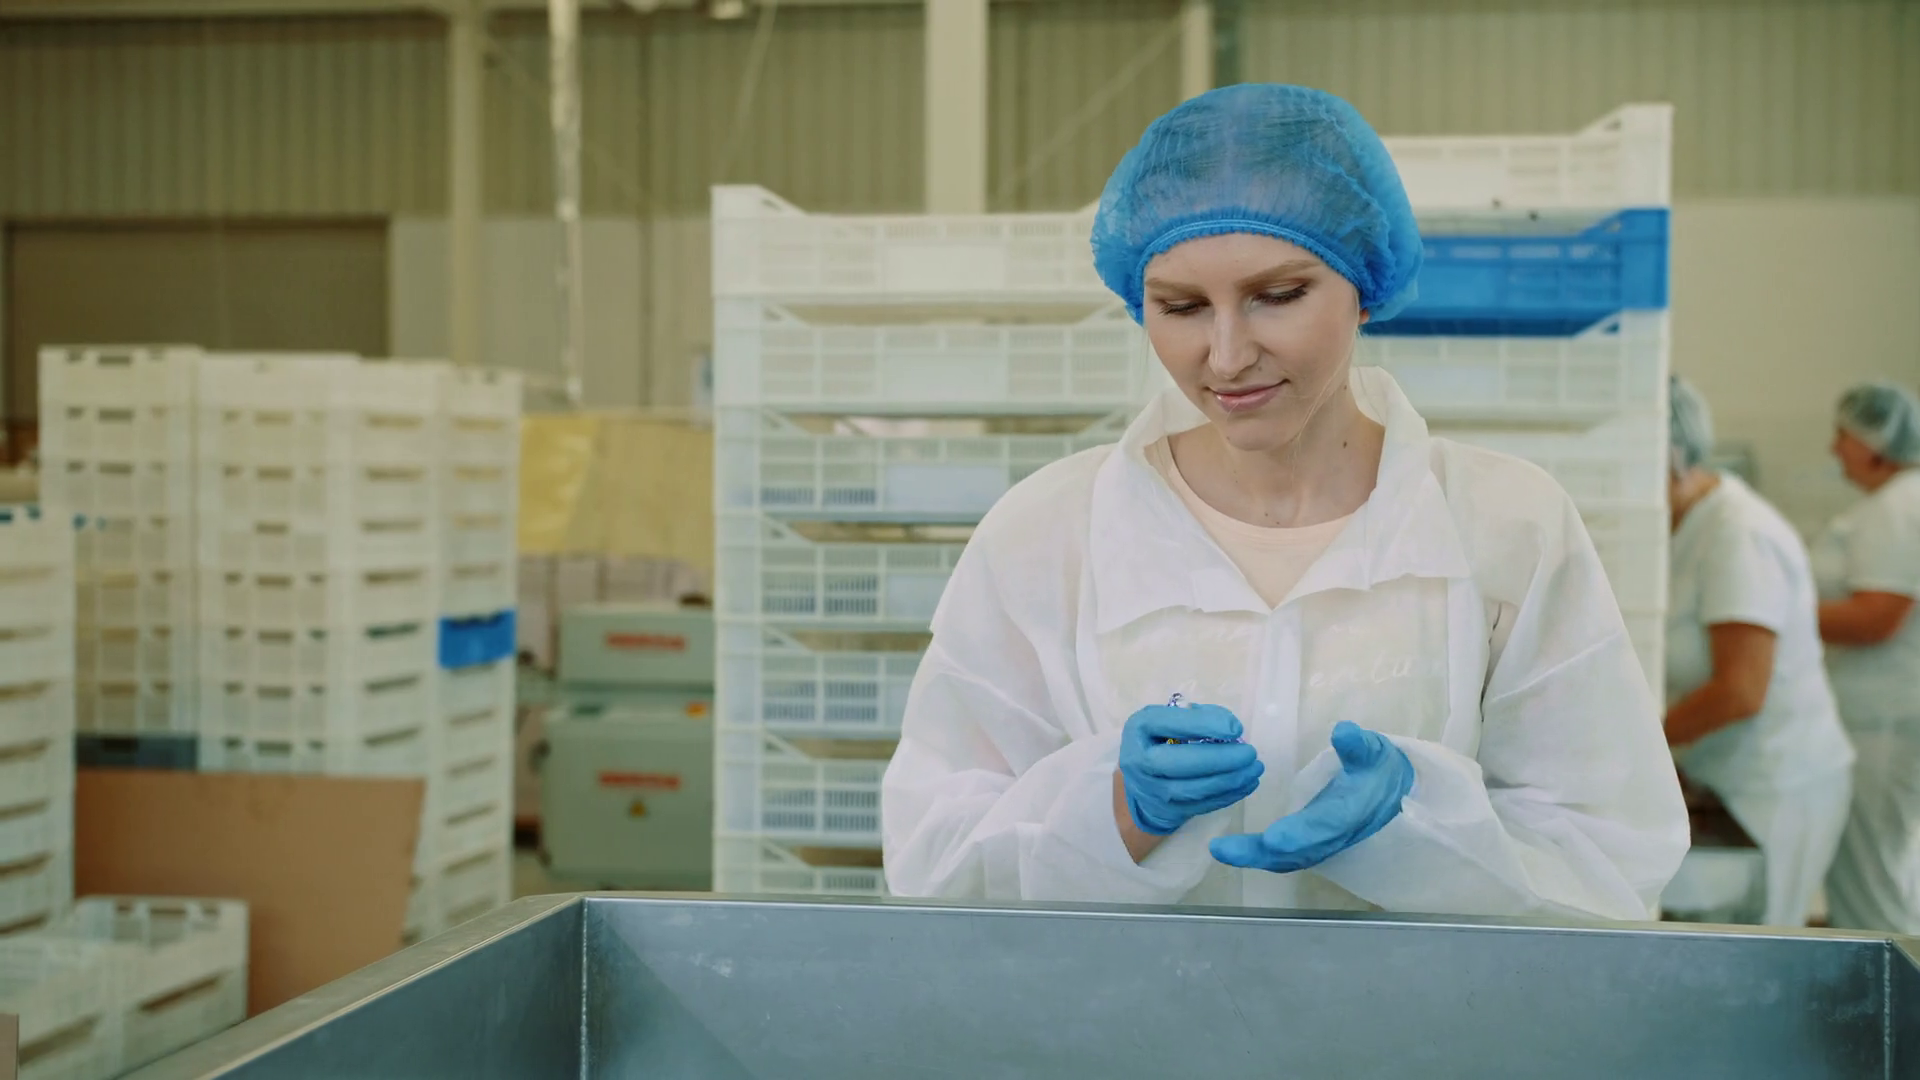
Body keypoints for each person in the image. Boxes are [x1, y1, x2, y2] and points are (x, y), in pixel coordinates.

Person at [879, 84, 1688, 919]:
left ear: (1364, 283)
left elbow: (1610, 857)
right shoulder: (1047, 532)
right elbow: (932, 855)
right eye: (1182, 307)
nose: (1227, 356)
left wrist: (1422, 823)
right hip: (1123, 1041)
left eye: (1279, 294)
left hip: (1408, 1044)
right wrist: (1115, 810)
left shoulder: (1505, 525)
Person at [1663, 377, 1853, 926]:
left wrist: (1648, 743)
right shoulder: (1686, 526)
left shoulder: (1737, 535)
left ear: (1671, 453)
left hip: (1778, 784)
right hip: (1731, 775)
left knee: (1762, 958)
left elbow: (1741, 690)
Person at [1816, 382, 1920, 933]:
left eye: (1844, 436)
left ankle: (1897, 1011)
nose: (1835, 449)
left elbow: (1878, 617)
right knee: (1882, 875)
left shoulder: (1898, 506)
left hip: (1884, 724)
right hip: (1881, 719)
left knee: (1873, 889)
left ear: (1875, 441)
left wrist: (1777, 614)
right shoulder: (1891, 505)